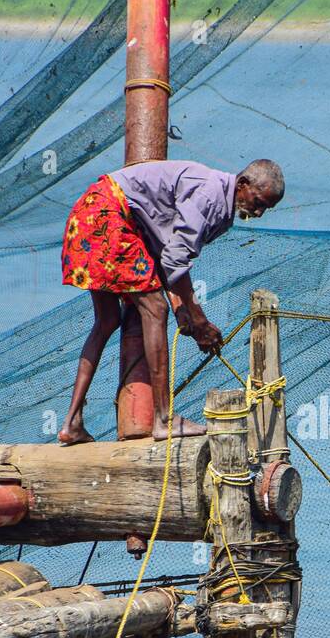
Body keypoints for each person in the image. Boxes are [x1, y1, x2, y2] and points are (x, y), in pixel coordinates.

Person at [58, 158, 285, 444]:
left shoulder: (218, 200)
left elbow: (163, 252)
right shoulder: (211, 194)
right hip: (107, 218)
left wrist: (183, 310)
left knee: (108, 320)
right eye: (259, 201)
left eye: (267, 208)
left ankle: (72, 422)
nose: (259, 211)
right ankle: (164, 419)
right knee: (155, 308)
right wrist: (199, 319)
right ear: (242, 184)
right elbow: (174, 259)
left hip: (88, 217)